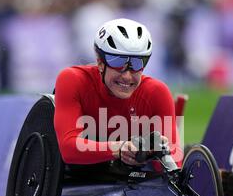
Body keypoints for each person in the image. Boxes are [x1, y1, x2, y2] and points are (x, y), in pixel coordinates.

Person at [53, 18, 183, 173]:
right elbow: (68, 150)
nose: (127, 76)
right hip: (75, 177)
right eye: (118, 62)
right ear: (100, 63)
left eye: (136, 64)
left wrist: (155, 153)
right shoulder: (72, 80)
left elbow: (174, 166)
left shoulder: (157, 92)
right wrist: (120, 148)